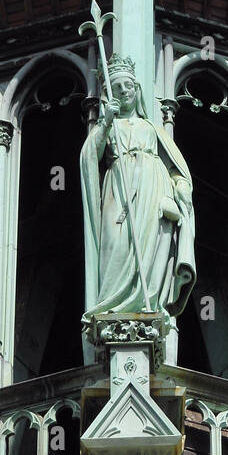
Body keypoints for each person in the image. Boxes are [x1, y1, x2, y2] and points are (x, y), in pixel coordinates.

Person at [80, 55, 195, 323]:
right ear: (108, 95)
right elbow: (89, 158)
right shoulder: (108, 127)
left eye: (128, 86)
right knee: (116, 247)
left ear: (137, 90)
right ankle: (113, 305)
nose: (123, 92)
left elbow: (175, 168)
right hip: (117, 194)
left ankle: (147, 304)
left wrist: (180, 187)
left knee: (150, 251)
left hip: (152, 194)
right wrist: (105, 122)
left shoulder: (151, 129)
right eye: (116, 87)